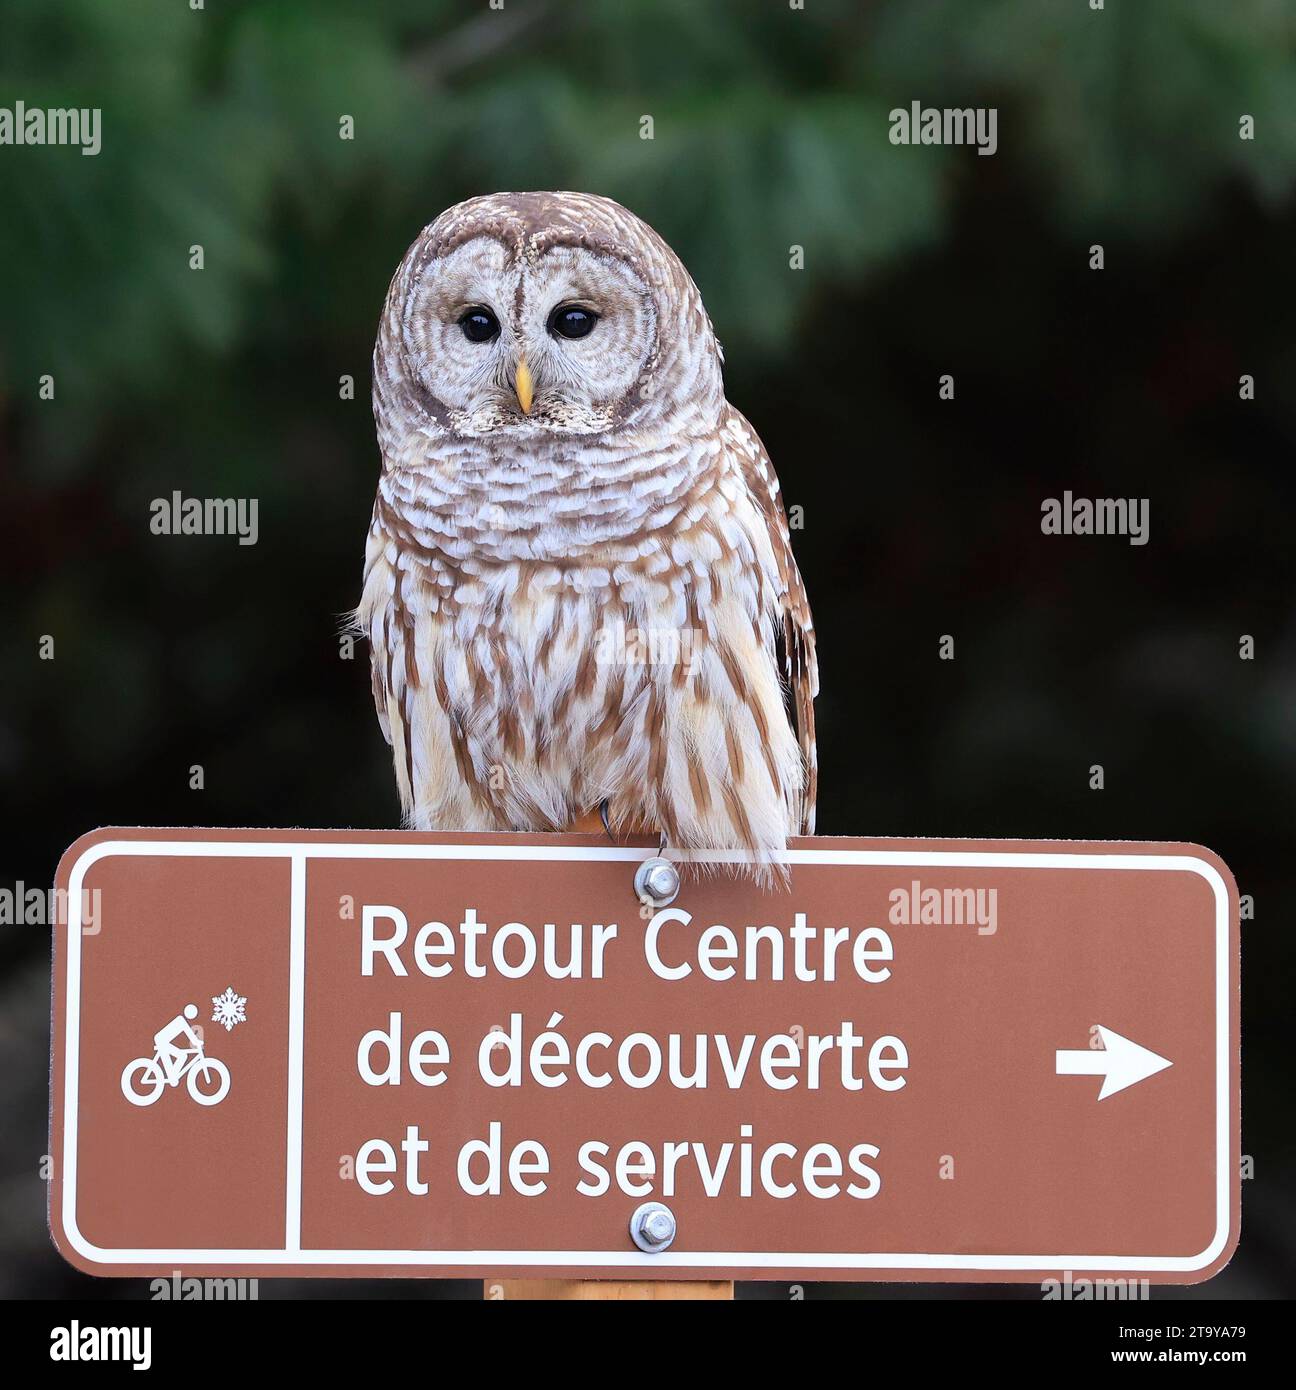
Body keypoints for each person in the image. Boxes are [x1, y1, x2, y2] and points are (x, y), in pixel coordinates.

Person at [153, 1004, 201, 1084]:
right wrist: (196, 1042)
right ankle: (172, 1078)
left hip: (162, 1041)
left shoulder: (181, 1020)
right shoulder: (181, 1020)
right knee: (182, 1056)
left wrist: (195, 1041)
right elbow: (188, 1032)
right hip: (161, 1041)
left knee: (182, 1056)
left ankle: (172, 1077)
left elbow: (189, 1033)